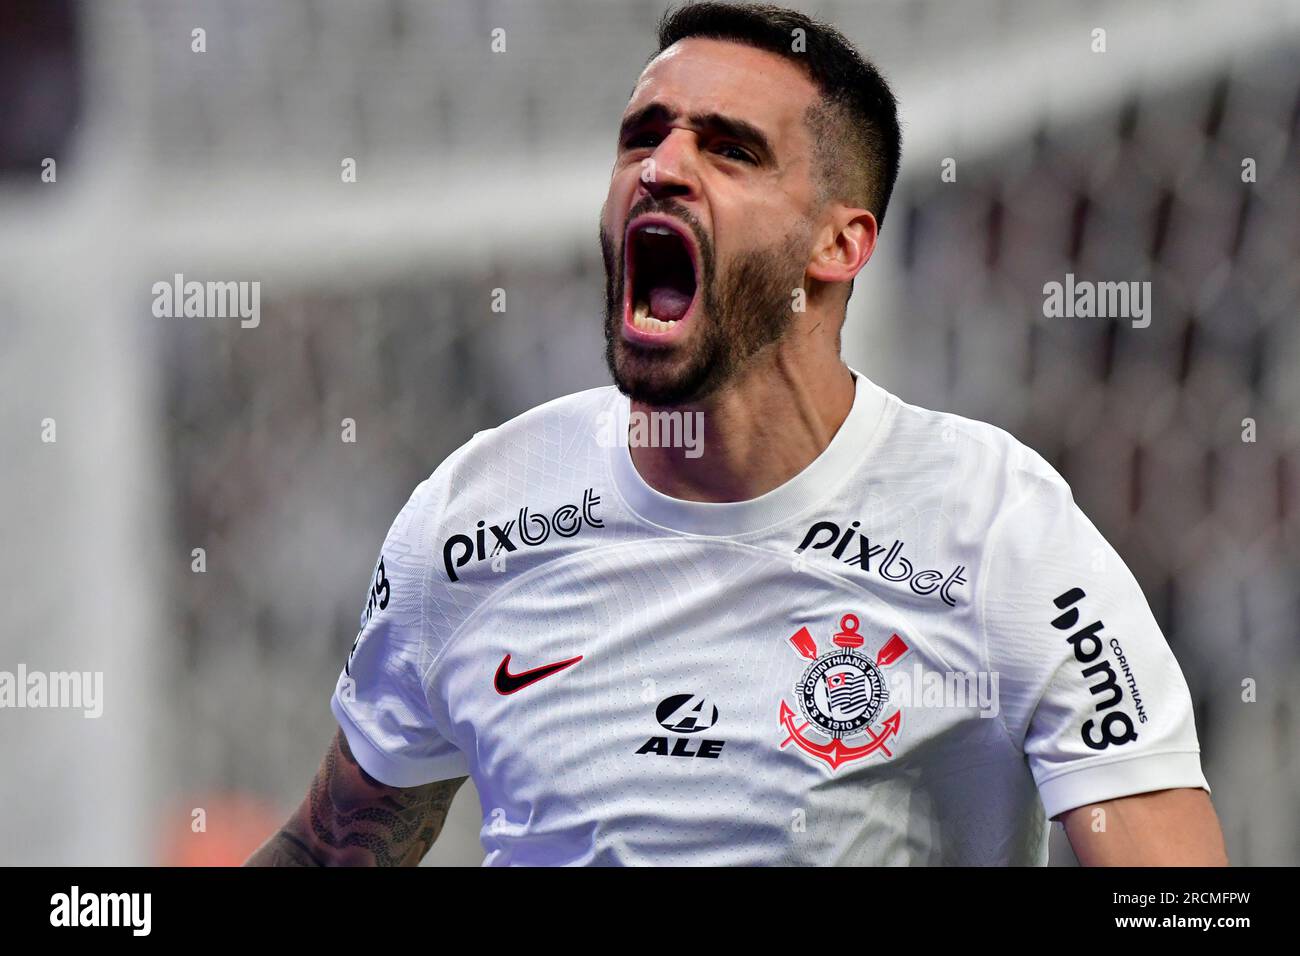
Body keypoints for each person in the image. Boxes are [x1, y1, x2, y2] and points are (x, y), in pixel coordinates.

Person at [247, 1, 1226, 866]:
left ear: (839, 244)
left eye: (728, 148)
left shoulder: (1001, 532)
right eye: (642, 137)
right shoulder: (475, 515)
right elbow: (335, 845)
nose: (662, 168)